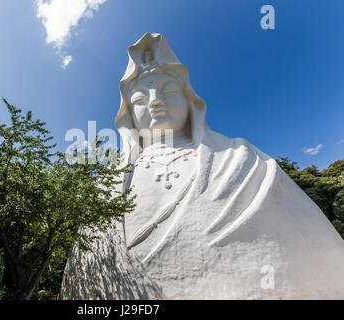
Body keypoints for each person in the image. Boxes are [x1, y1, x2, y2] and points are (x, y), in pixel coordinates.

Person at [61, 33, 344, 299]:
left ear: (189, 101)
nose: (155, 102)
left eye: (168, 90)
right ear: (128, 115)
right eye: (139, 98)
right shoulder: (106, 186)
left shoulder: (243, 159)